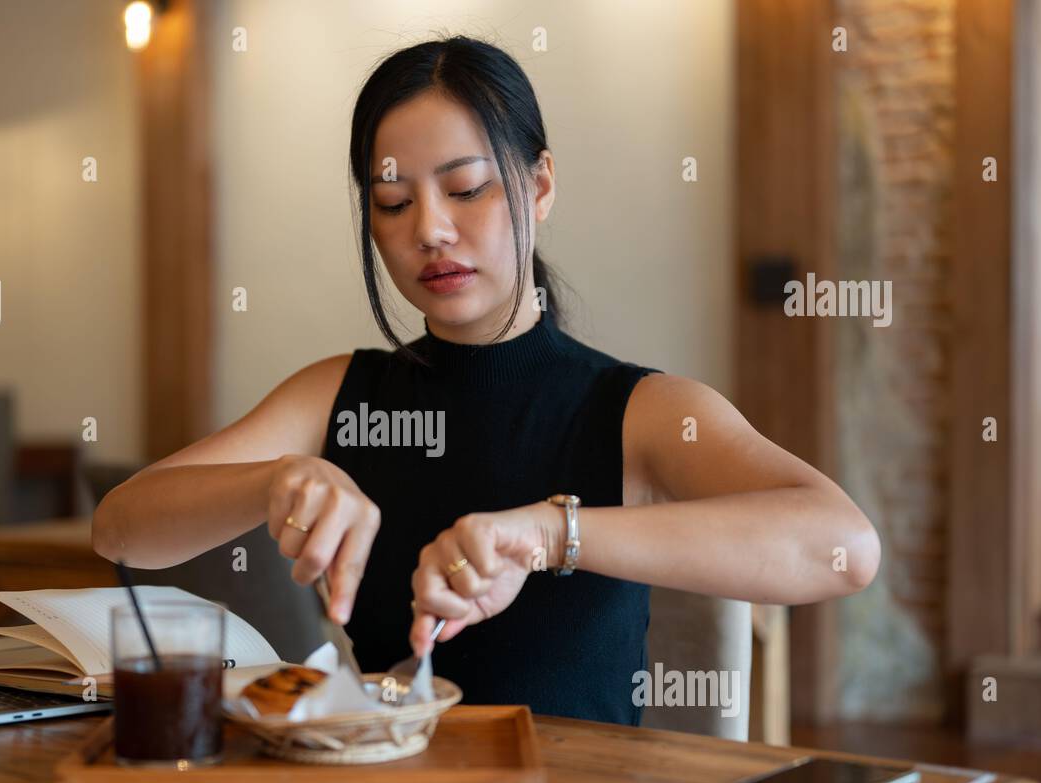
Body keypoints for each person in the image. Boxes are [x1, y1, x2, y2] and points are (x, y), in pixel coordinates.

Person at [92, 35, 880, 726]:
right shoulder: (340, 396)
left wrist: (549, 535)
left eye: (467, 189)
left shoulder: (639, 411)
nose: (429, 229)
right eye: (393, 202)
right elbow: (120, 528)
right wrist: (273, 480)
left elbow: (844, 548)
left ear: (538, 186)